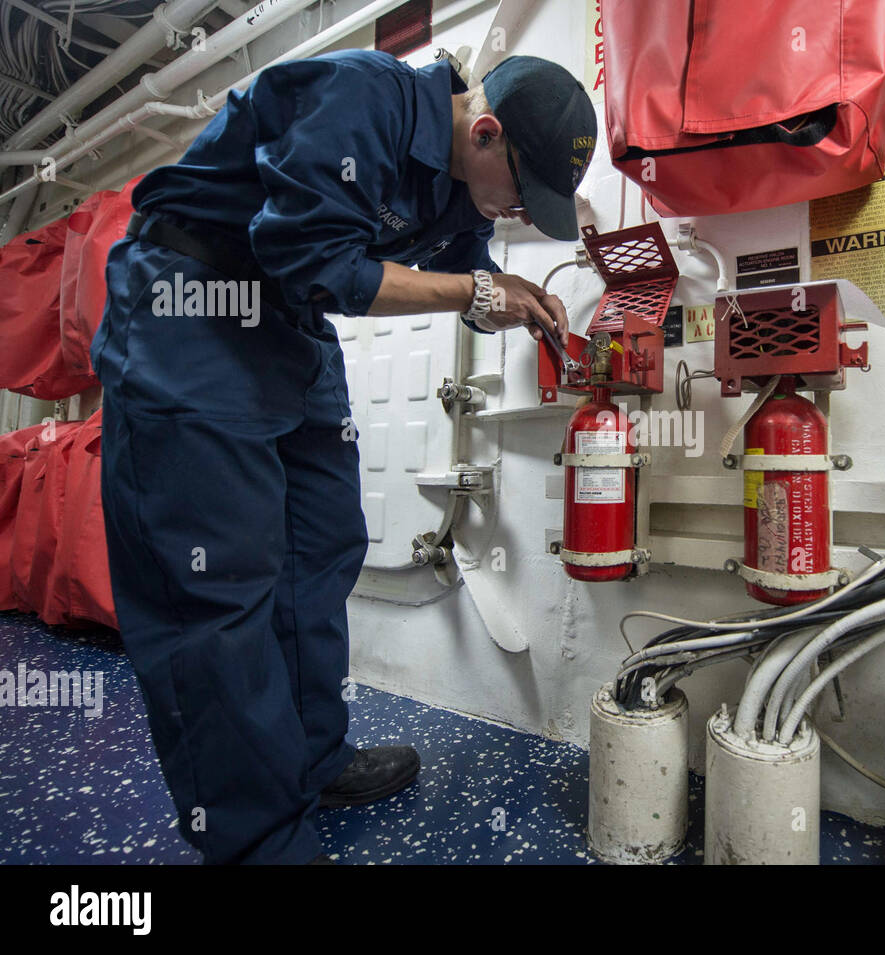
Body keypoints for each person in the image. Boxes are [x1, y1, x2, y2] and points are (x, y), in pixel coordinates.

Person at [88, 48, 596, 865]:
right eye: (524, 194)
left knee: (321, 548)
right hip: (191, 301)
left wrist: (505, 297)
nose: (524, 215)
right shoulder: (367, 97)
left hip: (288, 329)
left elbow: (466, 267)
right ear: (487, 132)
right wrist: (474, 295)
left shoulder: (463, 179)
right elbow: (315, 261)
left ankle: (310, 759)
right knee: (217, 588)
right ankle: (254, 837)